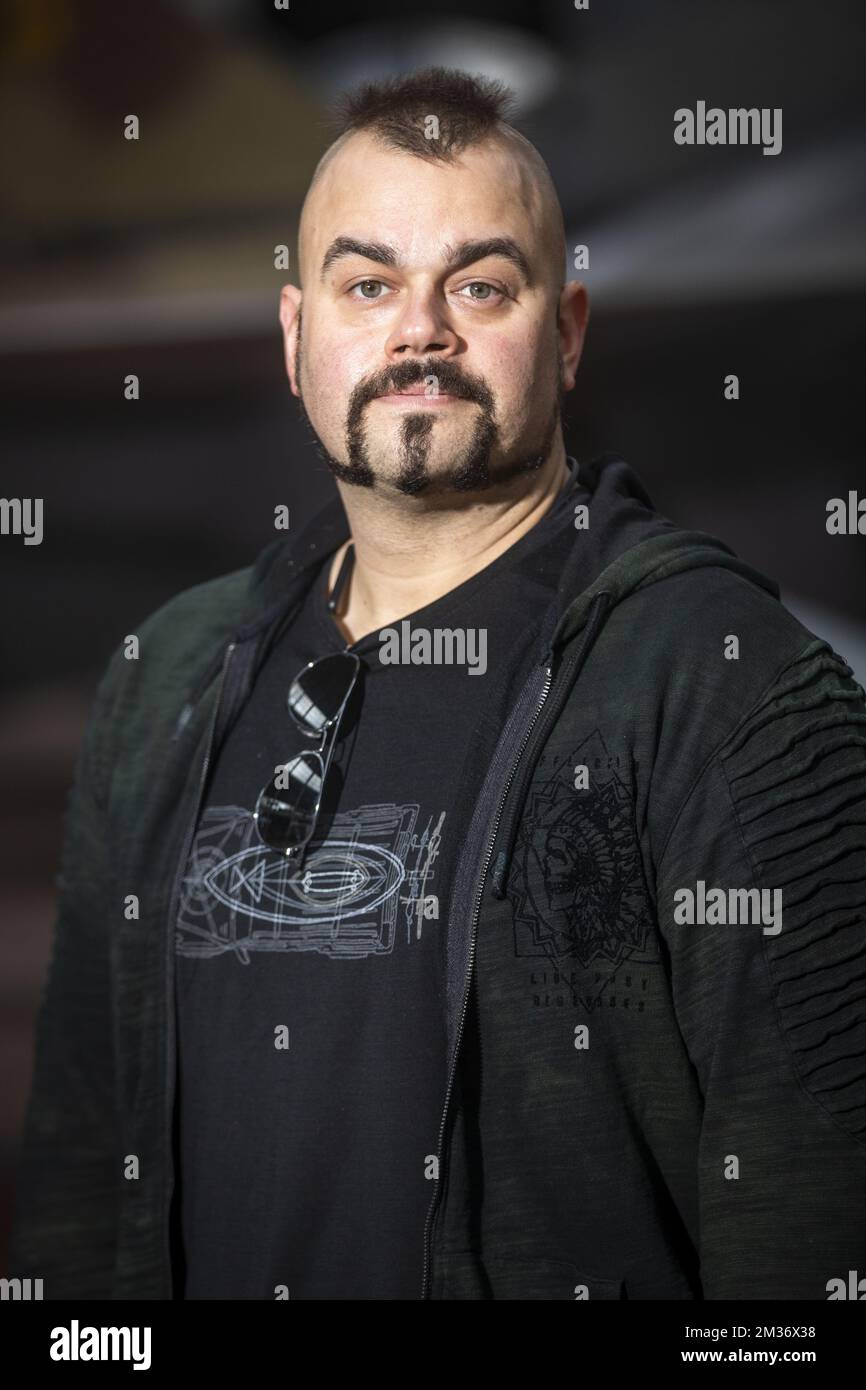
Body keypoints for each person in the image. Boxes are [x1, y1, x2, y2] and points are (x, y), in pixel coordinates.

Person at [10, 66, 866, 1301]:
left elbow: (812, 1229)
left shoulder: (723, 687)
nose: (420, 331)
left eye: (477, 284)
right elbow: (83, 1180)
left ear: (563, 333)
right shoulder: (171, 677)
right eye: (368, 285)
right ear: (298, 336)